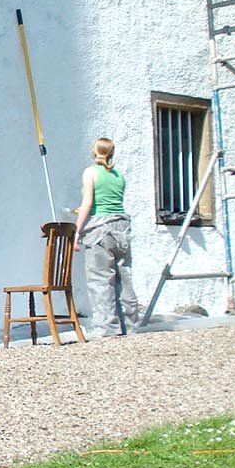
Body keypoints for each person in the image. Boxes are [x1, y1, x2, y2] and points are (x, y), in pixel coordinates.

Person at [72, 137, 141, 339]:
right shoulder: (119, 176)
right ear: (111, 153)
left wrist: (77, 231)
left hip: (100, 229)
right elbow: (111, 202)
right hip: (121, 226)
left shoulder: (91, 172)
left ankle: (107, 328)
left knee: (101, 280)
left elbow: (88, 204)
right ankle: (130, 325)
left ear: (94, 152)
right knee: (124, 279)